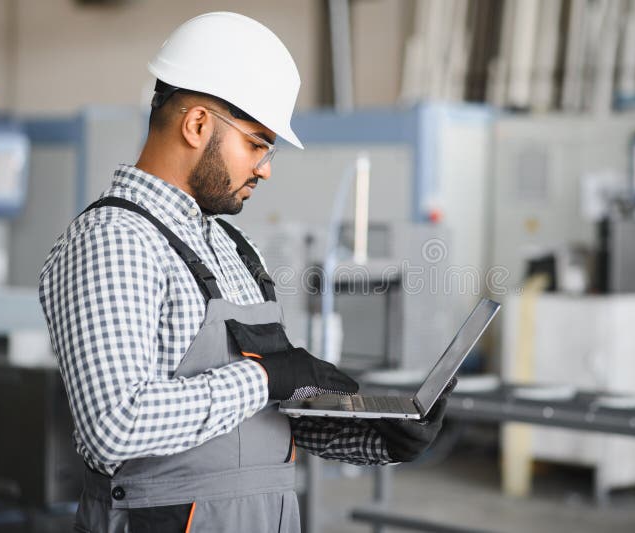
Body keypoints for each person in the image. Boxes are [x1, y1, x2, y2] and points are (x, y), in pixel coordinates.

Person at [39, 12, 452, 532]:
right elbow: (114, 426)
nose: (266, 167)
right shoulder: (115, 240)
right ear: (196, 125)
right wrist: (265, 375)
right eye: (257, 143)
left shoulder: (235, 246)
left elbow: (263, 419)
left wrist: (380, 436)